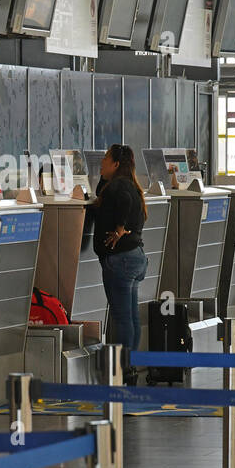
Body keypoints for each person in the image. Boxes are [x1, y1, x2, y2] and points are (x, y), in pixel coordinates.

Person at [87, 144, 149, 382]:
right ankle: (130, 365)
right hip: (135, 257)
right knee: (131, 316)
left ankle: (122, 369)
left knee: (123, 317)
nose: (101, 163)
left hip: (120, 260)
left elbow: (121, 200)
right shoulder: (131, 185)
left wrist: (119, 227)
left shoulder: (120, 186)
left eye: (105, 159)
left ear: (115, 164)